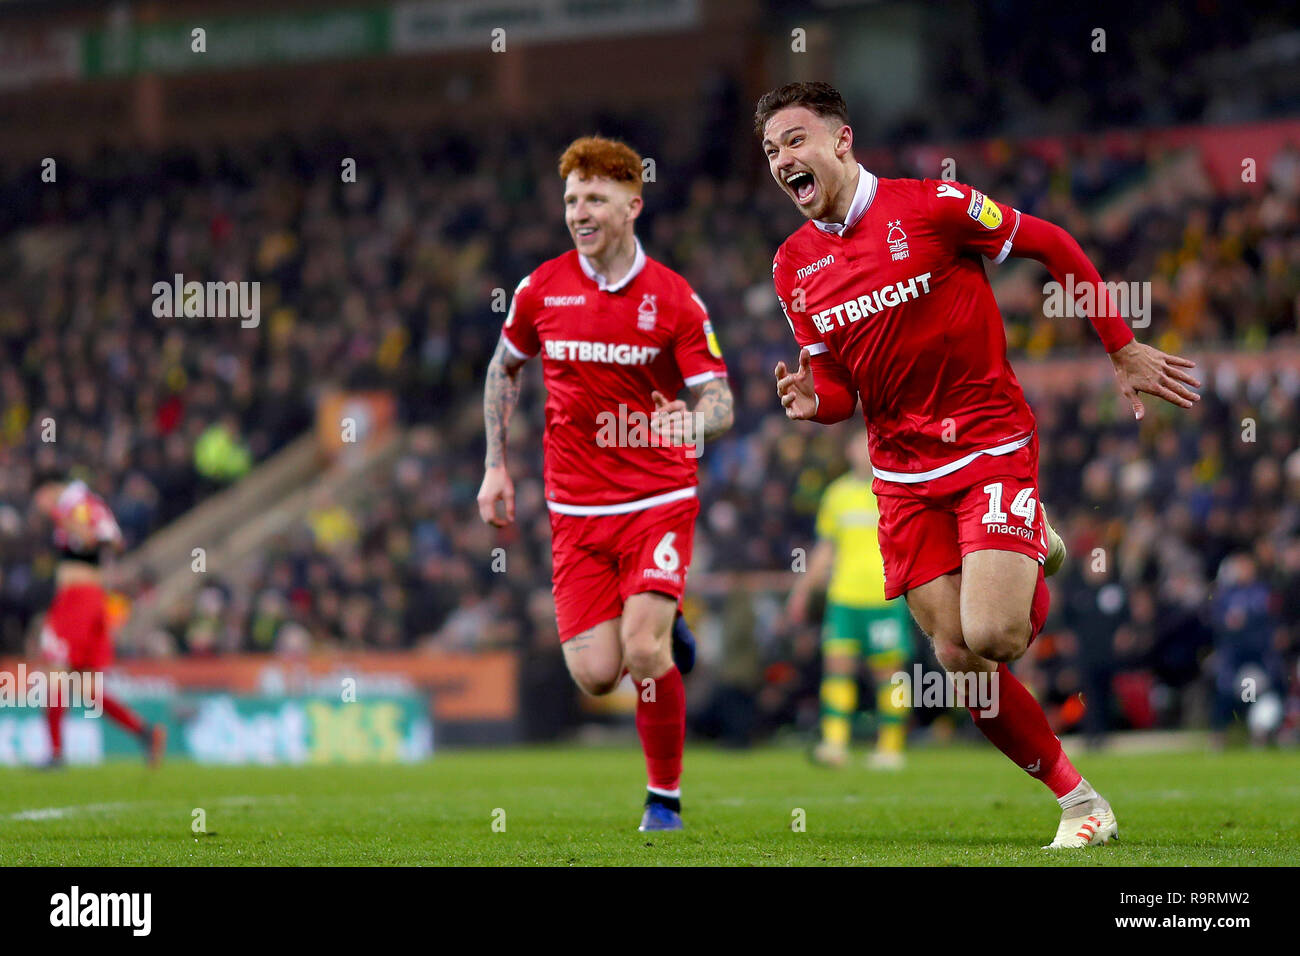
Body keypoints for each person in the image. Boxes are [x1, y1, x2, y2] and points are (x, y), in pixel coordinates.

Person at [759, 82, 1201, 848]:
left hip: (987, 444)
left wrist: (1120, 345)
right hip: (900, 475)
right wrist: (814, 400)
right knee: (959, 657)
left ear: (841, 140)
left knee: (995, 635)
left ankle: (1027, 538)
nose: (782, 159)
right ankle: (1081, 803)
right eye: (769, 150)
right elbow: (836, 384)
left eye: (795, 140)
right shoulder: (792, 266)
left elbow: (1053, 242)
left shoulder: (932, 207)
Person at [476, 136, 734, 831]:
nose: (579, 212)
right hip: (574, 509)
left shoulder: (674, 299)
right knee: (596, 673)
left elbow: (720, 400)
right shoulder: (541, 288)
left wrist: (694, 426)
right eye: (571, 200)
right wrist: (496, 465)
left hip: (657, 498)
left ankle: (664, 801)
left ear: (632, 204)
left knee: (643, 651)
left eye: (594, 198)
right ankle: (667, 621)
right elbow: (504, 370)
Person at [785, 432, 912, 769]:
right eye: (860, 445)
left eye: (870, 445)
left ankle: (891, 747)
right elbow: (826, 548)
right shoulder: (837, 494)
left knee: (889, 673)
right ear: (850, 451)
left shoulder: (895, 490)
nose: (865, 452)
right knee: (837, 669)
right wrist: (803, 590)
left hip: (884, 597)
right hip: (843, 598)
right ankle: (835, 744)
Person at [34, 476, 166, 767]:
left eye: (40, 496)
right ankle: (145, 732)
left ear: (50, 489)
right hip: (91, 599)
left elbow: (93, 538)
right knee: (85, 689)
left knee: (55, 671)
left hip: (77, 601)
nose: (39, 503)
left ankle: (55, 754)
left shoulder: (75, 504)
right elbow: (114, 541)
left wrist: (58, 515)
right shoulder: (90, 502)